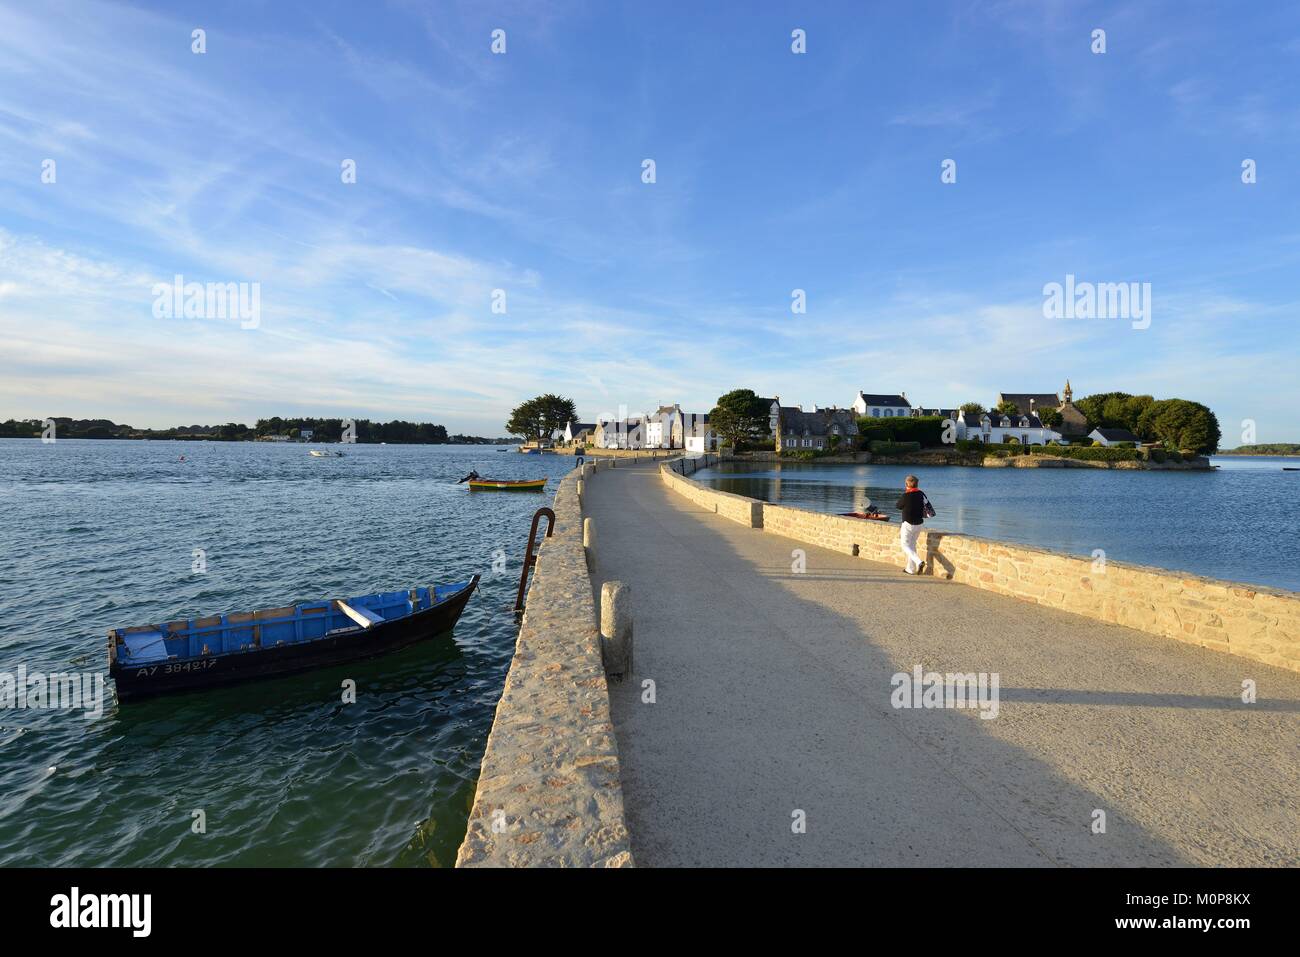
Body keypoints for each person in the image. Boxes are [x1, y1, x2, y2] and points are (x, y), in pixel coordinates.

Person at [895, 474, 927, 575]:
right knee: (912, 545)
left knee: (904, 545)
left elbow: (898, 506)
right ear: (917, 484)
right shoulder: (921, 494)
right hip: (919, 523)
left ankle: (919, 562)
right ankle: (910, 569)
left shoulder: (906, 495)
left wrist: (905, 494)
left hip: (908, 523)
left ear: (906, 484)